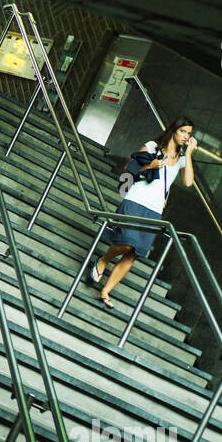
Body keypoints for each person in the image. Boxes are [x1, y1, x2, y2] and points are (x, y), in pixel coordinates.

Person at [90, 117, 198, 310]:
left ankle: (106, 291)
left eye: (189, 134)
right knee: (126, 244)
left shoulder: (182, 159)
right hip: (136, 199)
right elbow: (128, 169)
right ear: (174, 130)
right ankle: (104, 260)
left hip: (155, 209)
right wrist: (151, 166)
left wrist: (188, 154)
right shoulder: (152, 146)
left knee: (133, 254)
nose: (186, 136)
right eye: (183, 131)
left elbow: (189, 182)